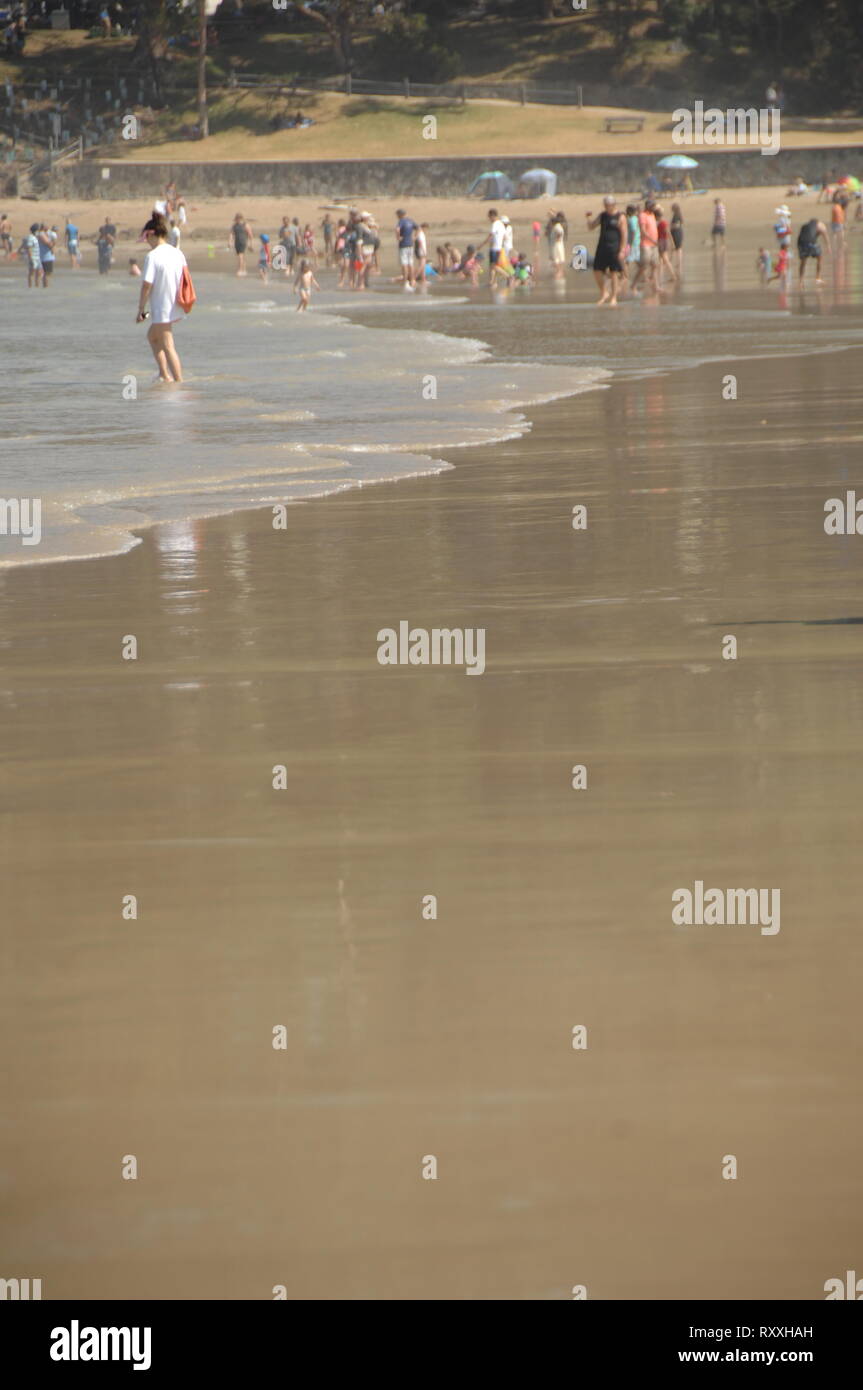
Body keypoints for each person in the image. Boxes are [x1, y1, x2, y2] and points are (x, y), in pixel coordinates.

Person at [136, 212, 186, 384]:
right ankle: (164, 374)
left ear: (151, 235)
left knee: (168, 345)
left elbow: (146, 285)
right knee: (152, 337)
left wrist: (141, 310)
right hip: (175, 303)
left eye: (147, 238)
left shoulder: (153, 256)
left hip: (162, 306)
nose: (147, 243)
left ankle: (179, 382)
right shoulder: (177, 253)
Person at [586, 195, 626, 305]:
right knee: (596, 270)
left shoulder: (620, 216)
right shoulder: (603, 216)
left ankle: (614, 297)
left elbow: (624, 234)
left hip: (615, 248)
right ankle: (604, 292)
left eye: (608, 205)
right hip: (602, 247)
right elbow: (591, 227)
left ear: (613, 205)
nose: (606, 207)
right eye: (605, 205)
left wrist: (622, 250)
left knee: (614, 273)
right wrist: (588, 218)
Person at [631, 201, 659, 292]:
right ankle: (634, 284)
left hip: (654, 245)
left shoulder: (652, 215)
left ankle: (656, 286)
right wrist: (653, 240)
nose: (654, 208)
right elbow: (643, 231)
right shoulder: (643, 215)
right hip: (646, 244)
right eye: (652, 206)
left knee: (655, 265)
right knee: (644, 266)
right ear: (648, 206)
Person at [797, 217, 830, 284]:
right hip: (811, 243)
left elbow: (800, 236)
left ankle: (801, 280)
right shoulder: (820, 225)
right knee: (819, 258)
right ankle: (818, 278)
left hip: (801, 243)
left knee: (803, 262)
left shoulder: (805, 226)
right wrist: (828, 246)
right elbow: (825, 235)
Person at [654, 204, 677, 286]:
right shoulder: (660, 222)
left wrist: (672, 243)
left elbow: (668, 233)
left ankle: (673, 275)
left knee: (665, 259)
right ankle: (661, 277)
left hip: (662, 241)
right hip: (662, 241)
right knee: (661, 260)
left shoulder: (662, 223)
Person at [395, 207, 417, 290]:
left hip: (403, 244)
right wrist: (415, 236)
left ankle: (405, 281)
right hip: (410, 244)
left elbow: (397, 229)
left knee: (404, 263)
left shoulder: (401, 221)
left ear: (400, 215)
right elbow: (418, 228)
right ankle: (412, 280)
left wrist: (398, 237)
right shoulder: (410, 221)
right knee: (410, 263)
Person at [229, 211, 251, 276]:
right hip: (237, 242)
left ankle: (240, 270)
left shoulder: (245, 225)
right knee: (242, 256)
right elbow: (231, 234)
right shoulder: (234, 226)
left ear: (240, 218)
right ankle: (244, 270)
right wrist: (230, 242)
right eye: (236, 218)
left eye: (237, 218)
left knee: (240, 256)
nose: (236, 220)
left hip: (243, 241)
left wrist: (250, 243)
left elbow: (250, 234)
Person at [21, 223, 41, 287]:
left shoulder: (36, 238)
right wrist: (31, 259)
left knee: (38, 274)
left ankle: (37, 286)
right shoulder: (31, 238)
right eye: (38, 230)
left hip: (38, 258)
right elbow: (29, 249)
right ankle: (30, 286)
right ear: (35, 230)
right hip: (33, 258)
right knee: (31, 273)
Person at [669, 203, 684, 273]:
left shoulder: (676, 215)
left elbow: (676, 225)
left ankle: (678, 263)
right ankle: (678, 263)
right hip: (678, 232)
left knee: (678, 248)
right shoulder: (679, 214)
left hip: (677, 232)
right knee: (678, 248)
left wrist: (670, 227)